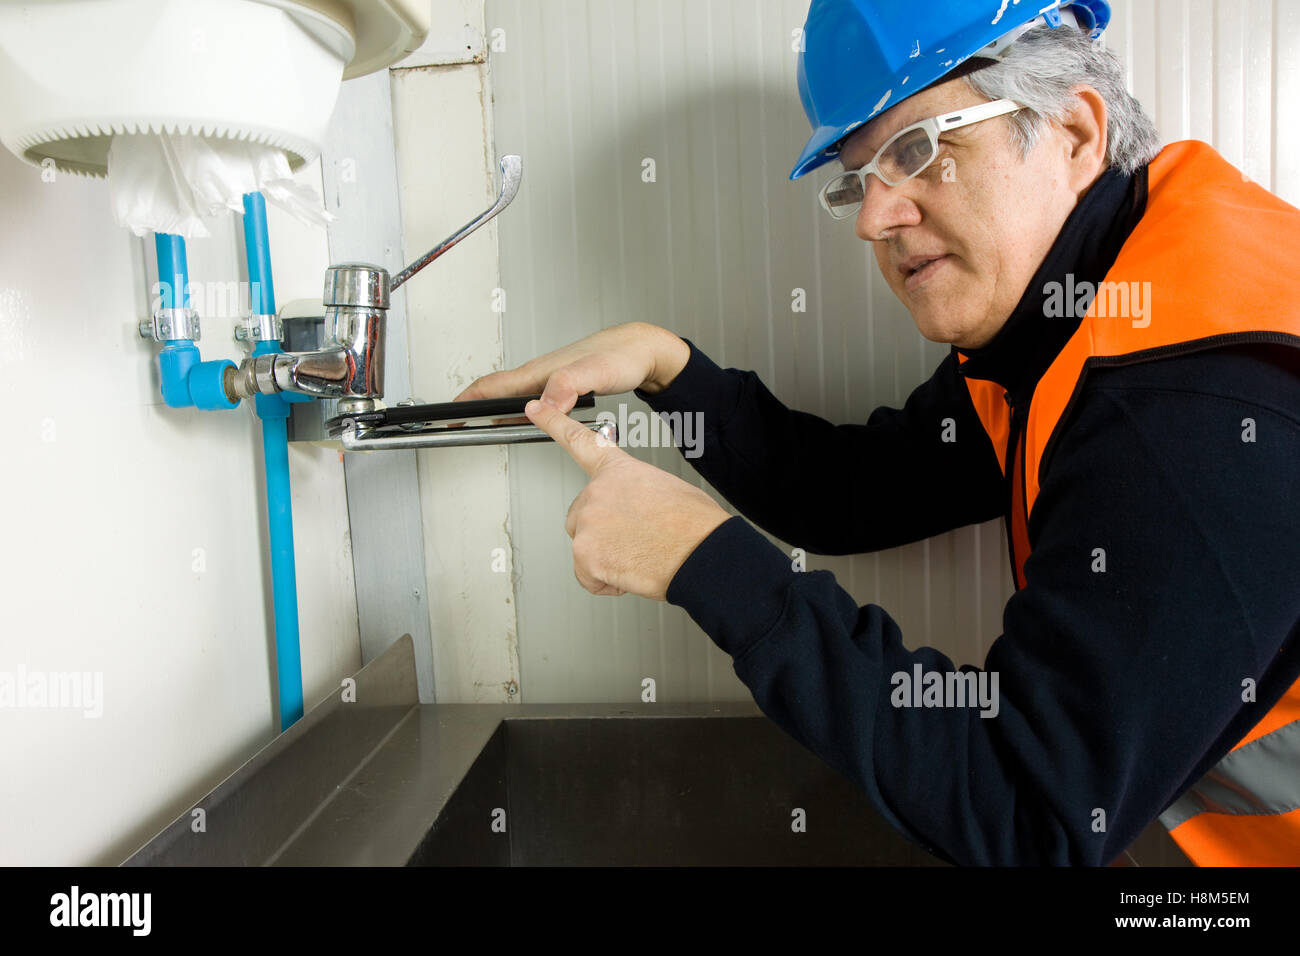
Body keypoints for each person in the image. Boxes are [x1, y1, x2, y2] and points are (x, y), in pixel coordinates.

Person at [452, 0, 1300, 865]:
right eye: (859, 178)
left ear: (1074, 134)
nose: (871, 219)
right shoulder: (1078, 315)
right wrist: (669, 368)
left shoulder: (1186, 398)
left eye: (919, 150)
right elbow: (854, 494)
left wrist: (698, 559)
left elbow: (1026, 814)